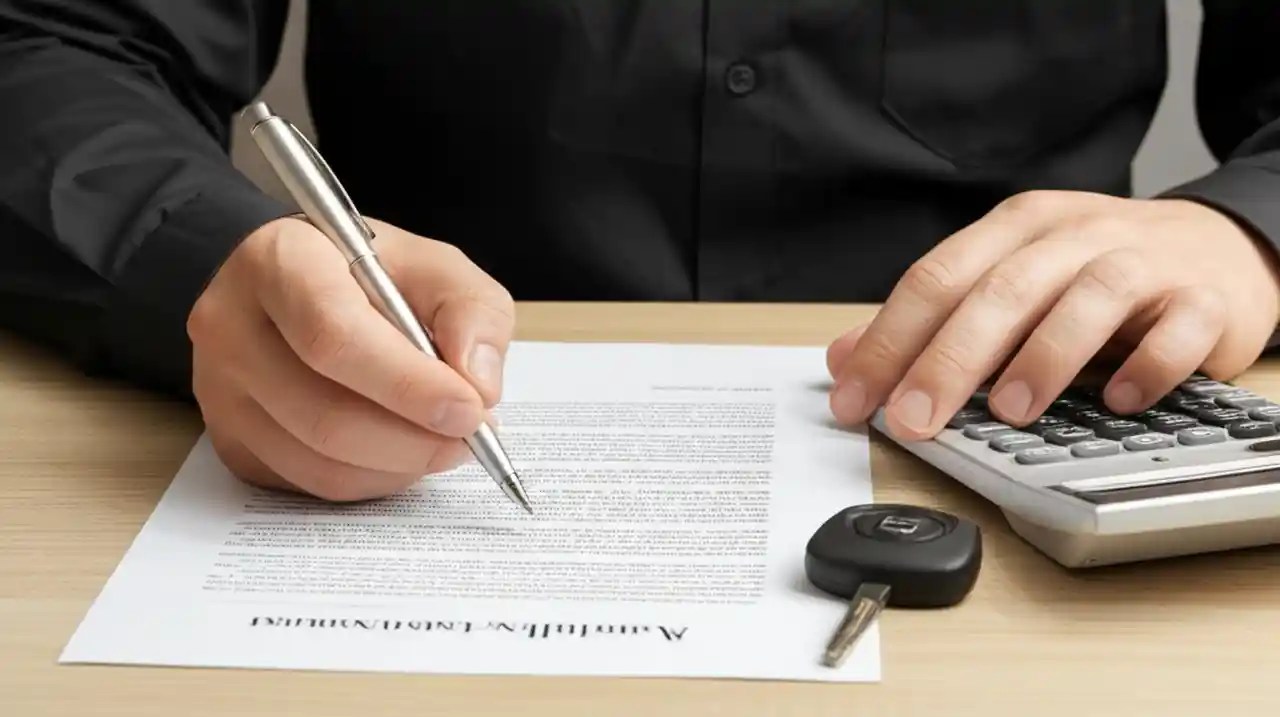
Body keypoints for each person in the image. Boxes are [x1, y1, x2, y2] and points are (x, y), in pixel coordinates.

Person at [2, 1, 1278, 502]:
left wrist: (1242, 231)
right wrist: (204, 255)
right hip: (379, 424)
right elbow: (50, 40)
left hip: (1033, 443)